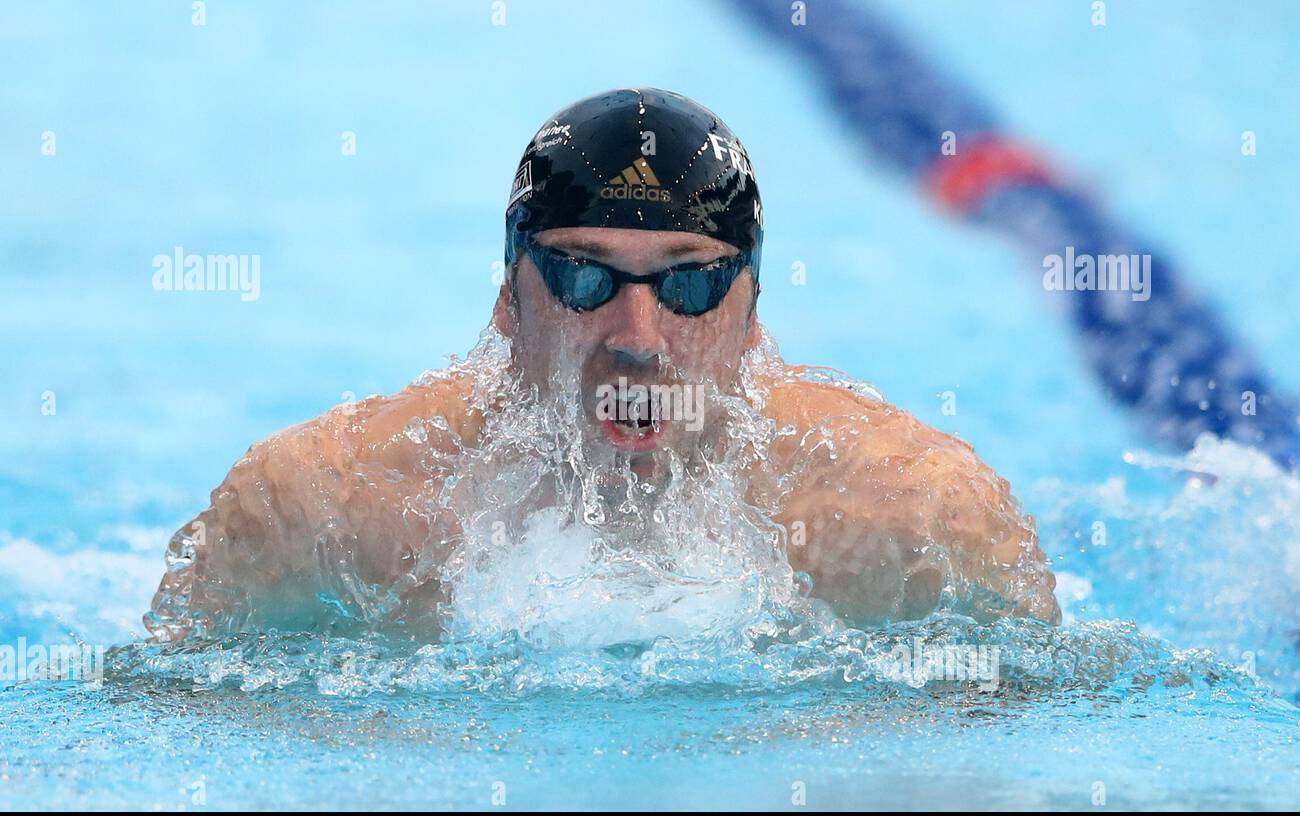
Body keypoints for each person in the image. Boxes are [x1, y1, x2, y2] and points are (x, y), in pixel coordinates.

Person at [146, 87, 1058, 643]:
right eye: (583, 277)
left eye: (689, 287)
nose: (637, 334)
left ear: (750, 315)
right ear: (510, 299)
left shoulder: (912, 521)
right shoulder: (326, 512)